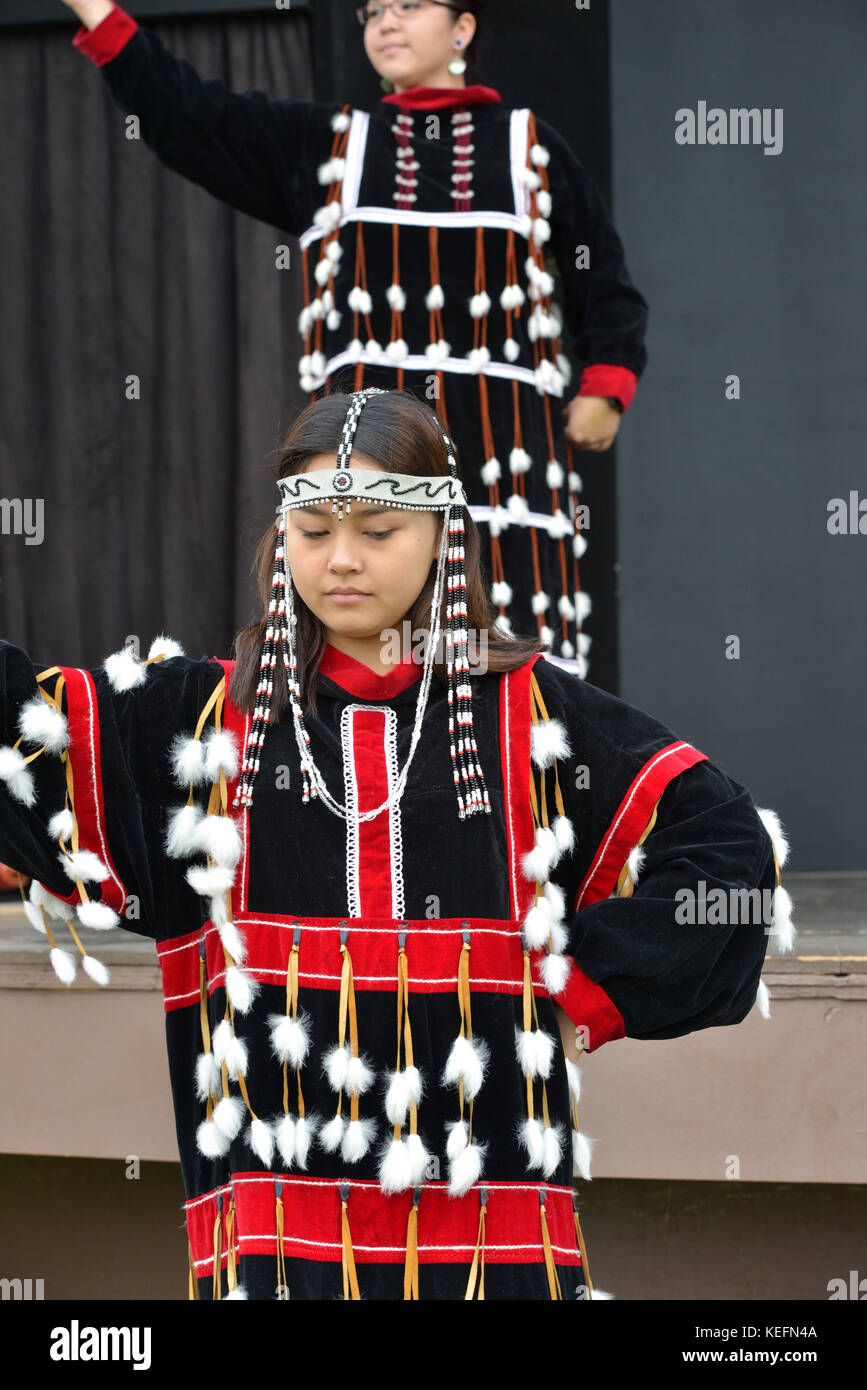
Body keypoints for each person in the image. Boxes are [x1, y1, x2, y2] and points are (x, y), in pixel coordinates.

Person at [0, 388, 792, 1301]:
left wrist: (587, 989)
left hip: (495, 1257)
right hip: (272, 1252)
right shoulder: (198, 725)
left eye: (379, 530)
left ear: (443, 536)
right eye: (312, 531)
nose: (341, 560)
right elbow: (23, 736)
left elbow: (726, 846)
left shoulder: (532, 717)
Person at [60, 0, 649, 678]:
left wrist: (607, 381)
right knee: (364, 658)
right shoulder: (329, 147)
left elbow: (603, 280)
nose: (385, 24)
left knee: (504, 672)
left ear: (463, 28)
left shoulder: (529, 147)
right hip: (366, 466)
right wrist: (98, 10)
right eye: (372, 12)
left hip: (503, 471)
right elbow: (189, 118)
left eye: (408, 6)